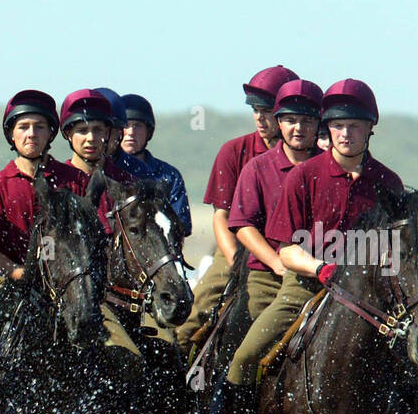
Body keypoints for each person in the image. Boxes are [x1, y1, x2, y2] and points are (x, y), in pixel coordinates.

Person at [189, 79, 418, 414]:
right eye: (339, 125)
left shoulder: (389, 182)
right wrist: (322, 269)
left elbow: (402, 251)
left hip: (371, 300)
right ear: (330, 128)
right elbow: (286, 249)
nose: (346, 134)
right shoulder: (304, 176)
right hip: (303, 286)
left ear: (370, 128)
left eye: (355, 125)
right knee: (247, 355)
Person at [0, 89, 142, 379]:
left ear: (51, 133)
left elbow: (92, 239)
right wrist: (18, 273)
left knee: (122, 359)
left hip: (74, 290)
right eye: (23, 127)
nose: (31, 134)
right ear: (11, 134)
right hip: (18, 290)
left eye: (39, 127)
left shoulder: (75, 180)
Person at [174, 65, 298, 351]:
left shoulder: (308, 156)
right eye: (255, 109)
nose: (259, 117)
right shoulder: (234, 151)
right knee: (199, 310)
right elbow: (222, 217)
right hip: (237, 248)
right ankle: (178, 368)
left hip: (293, 251)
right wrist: (234, 263)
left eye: (266, 110)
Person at [225, 79, 323, 331]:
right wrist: (277, 263)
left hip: (320, 276)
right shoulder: (257, 168)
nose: (298, 128)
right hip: (268, 276)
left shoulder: (331, 169)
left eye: (307, 121)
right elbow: (242, 225)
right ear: (279, 123)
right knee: (245, 353)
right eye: (290, 120)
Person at [117, 93, 192, 234]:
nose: (131, 132)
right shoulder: (106, 174)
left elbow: (182, 227)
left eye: (137, 126)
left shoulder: (169, 176)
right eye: (125, 125)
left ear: (149, 132)